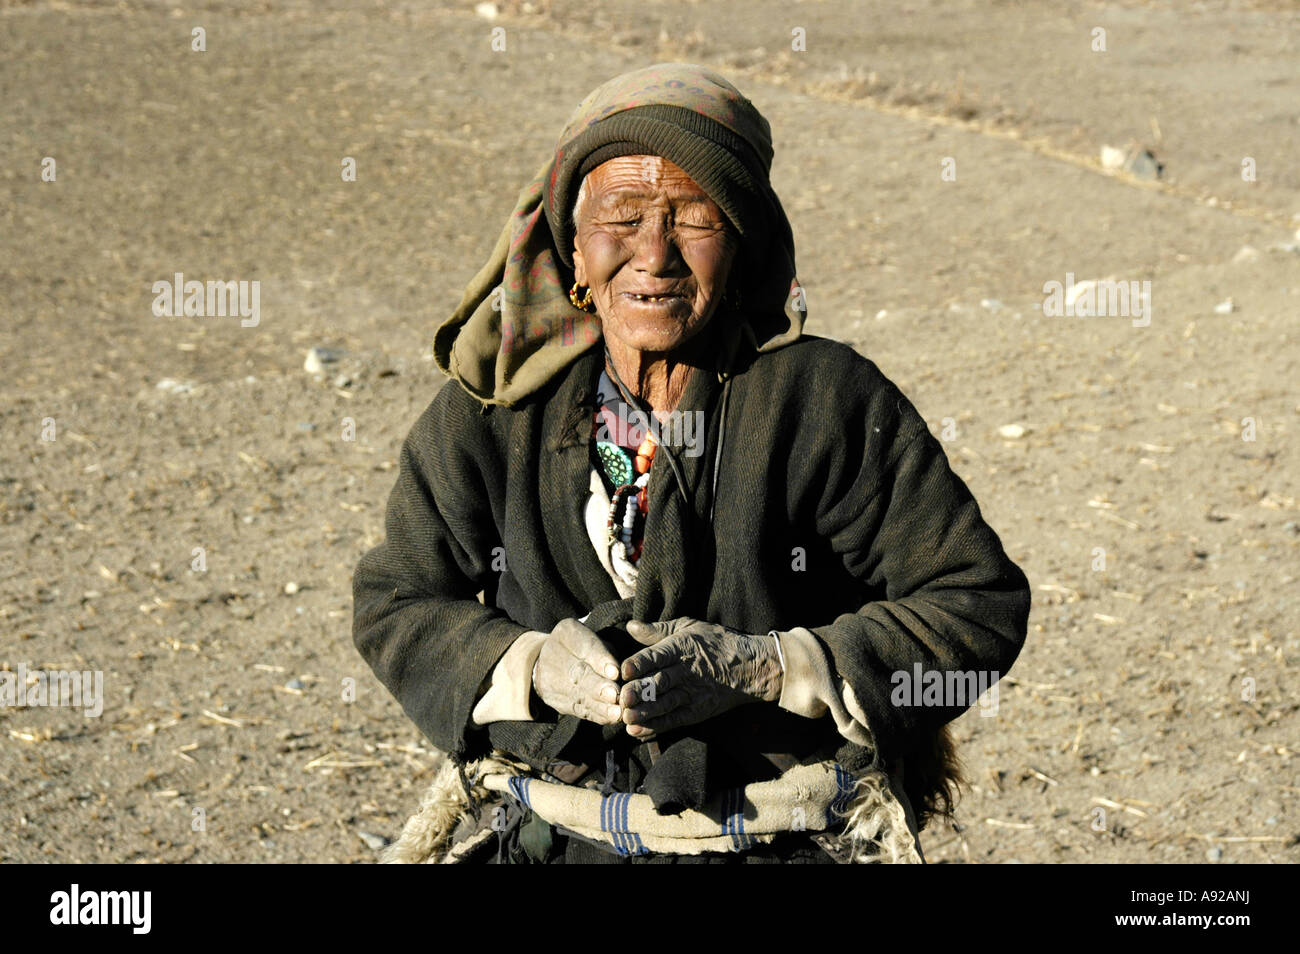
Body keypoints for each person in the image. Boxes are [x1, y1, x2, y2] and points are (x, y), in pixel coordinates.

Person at [352, 63, 1031, 864]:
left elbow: (976, 603)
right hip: (549, 843)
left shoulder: (824, 400)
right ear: (575, 254)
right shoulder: (495, 416)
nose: (654, 255)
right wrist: (529, 664)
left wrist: (768, 667)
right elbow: (394, 599)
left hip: (780, 845)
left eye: (692, 219)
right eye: (623, 217)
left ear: (741, 245)